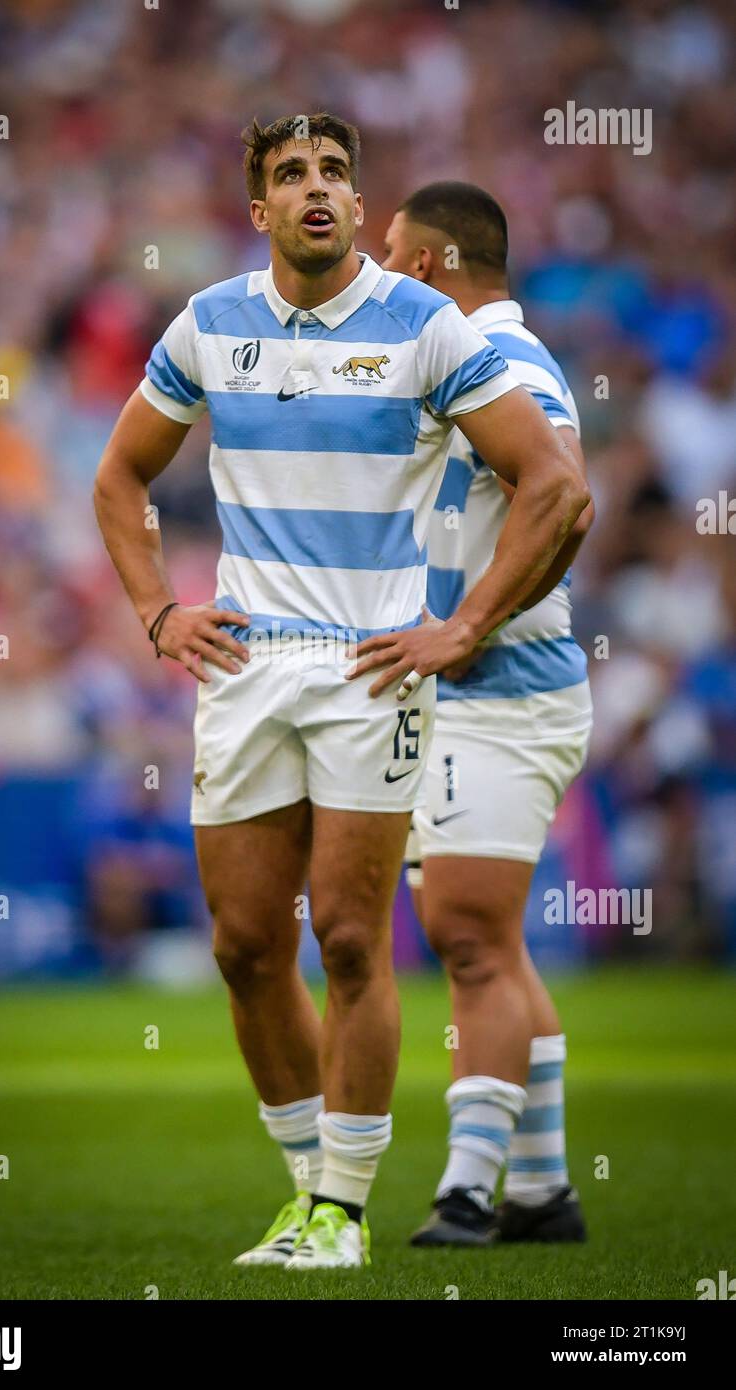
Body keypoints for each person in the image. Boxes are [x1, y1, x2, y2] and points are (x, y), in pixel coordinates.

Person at [93, 119, 589, 1270]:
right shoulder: (209, 323)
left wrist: (462, 625)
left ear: (360, 208)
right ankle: (306, 1190)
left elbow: (554, 485)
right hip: (244, 665)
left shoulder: (424, 324)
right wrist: (157, 612)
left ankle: (346, 1211)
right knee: (242, 945)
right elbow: (118, 474)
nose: (314, 189)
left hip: (370, 668)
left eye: (333, 174)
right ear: (257, 209)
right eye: (289, 175)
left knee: (353, 938)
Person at [377, 182, 594, 1246]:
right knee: (489, 942)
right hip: (463, 691)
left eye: (390, 255)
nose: (380, 274)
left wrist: (466, 626)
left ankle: (466, 1189)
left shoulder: (501, 359)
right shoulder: (471, 357)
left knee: (467, 937)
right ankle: (541, 1193)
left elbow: (565, 498)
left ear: (429, 265)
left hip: (501, 688)